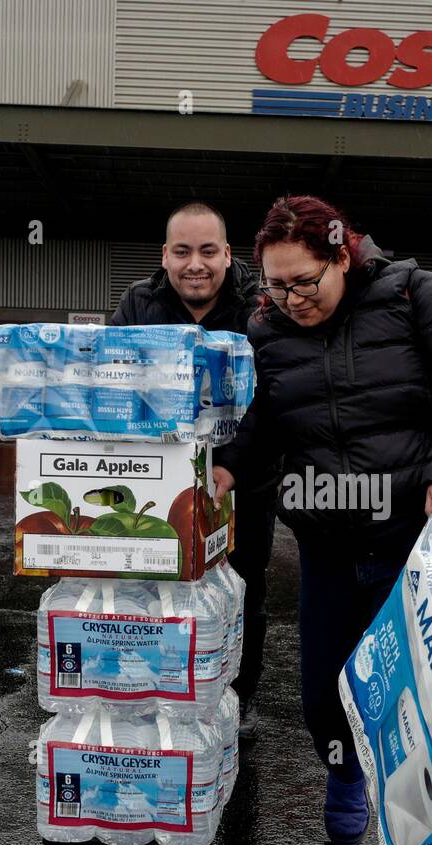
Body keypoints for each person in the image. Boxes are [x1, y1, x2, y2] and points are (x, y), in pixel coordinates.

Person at [212, 195, 432, 845]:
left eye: (304, 281)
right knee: (323, 697)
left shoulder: (411, 294)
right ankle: (343, 774)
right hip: (327, 545)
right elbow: (268, 419)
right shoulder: (269, 329)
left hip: (416, 543)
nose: (289, 299)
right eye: (275, 285)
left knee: (407, 716)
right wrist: (225, 466)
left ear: (343, 256)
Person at [109, 201, 275, 738]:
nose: (195, 264)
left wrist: (230, 465)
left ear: (228, 254)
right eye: (182, 252)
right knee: (151, 590)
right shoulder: (139, 303)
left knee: (241, 587)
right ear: (165, 255)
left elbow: (271, 398)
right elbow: (111, 384)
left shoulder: (259, 309)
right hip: (159, 484)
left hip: (242, 482)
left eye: (208, 251)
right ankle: (152, 692)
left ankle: (233, 700)